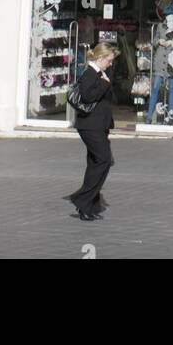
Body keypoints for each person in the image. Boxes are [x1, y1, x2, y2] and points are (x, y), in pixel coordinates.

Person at [67, 42, 119, 221]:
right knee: (104, 160)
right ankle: (82, 199)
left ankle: (89, 206)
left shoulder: (100, 73)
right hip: (90, 126)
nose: (111, 64)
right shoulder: (90, 74)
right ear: (100, 58)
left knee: (95, 162)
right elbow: (88, 96)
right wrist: (104, 84)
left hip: (98, 125)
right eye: (109, 60)